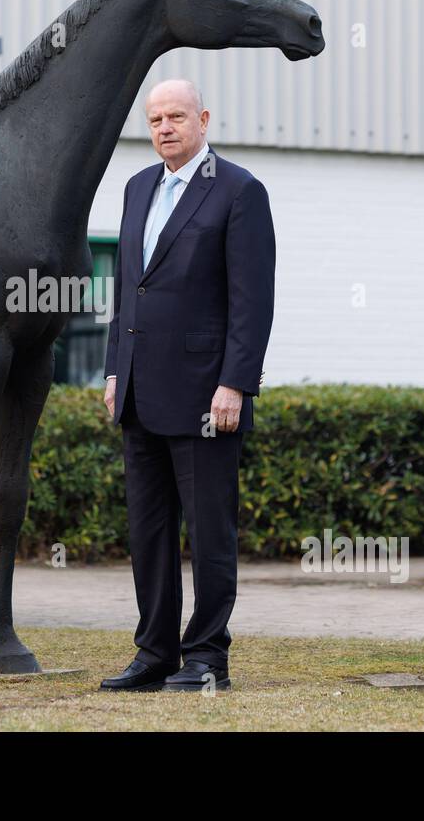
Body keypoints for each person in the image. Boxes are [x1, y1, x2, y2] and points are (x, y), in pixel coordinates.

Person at [99, 78, 275, 693]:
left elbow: (252, 301)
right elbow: (127, 288)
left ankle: (206, 657)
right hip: (140, 392)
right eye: (154, 119)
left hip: (207, 397)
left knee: (208, 531)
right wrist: (114, 369)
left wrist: (235, 384)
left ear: (202, 118)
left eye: (176, 116)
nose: (165, 127)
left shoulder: (239, 192)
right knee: (148, 532)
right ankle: (154, 653)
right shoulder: (136, 188)